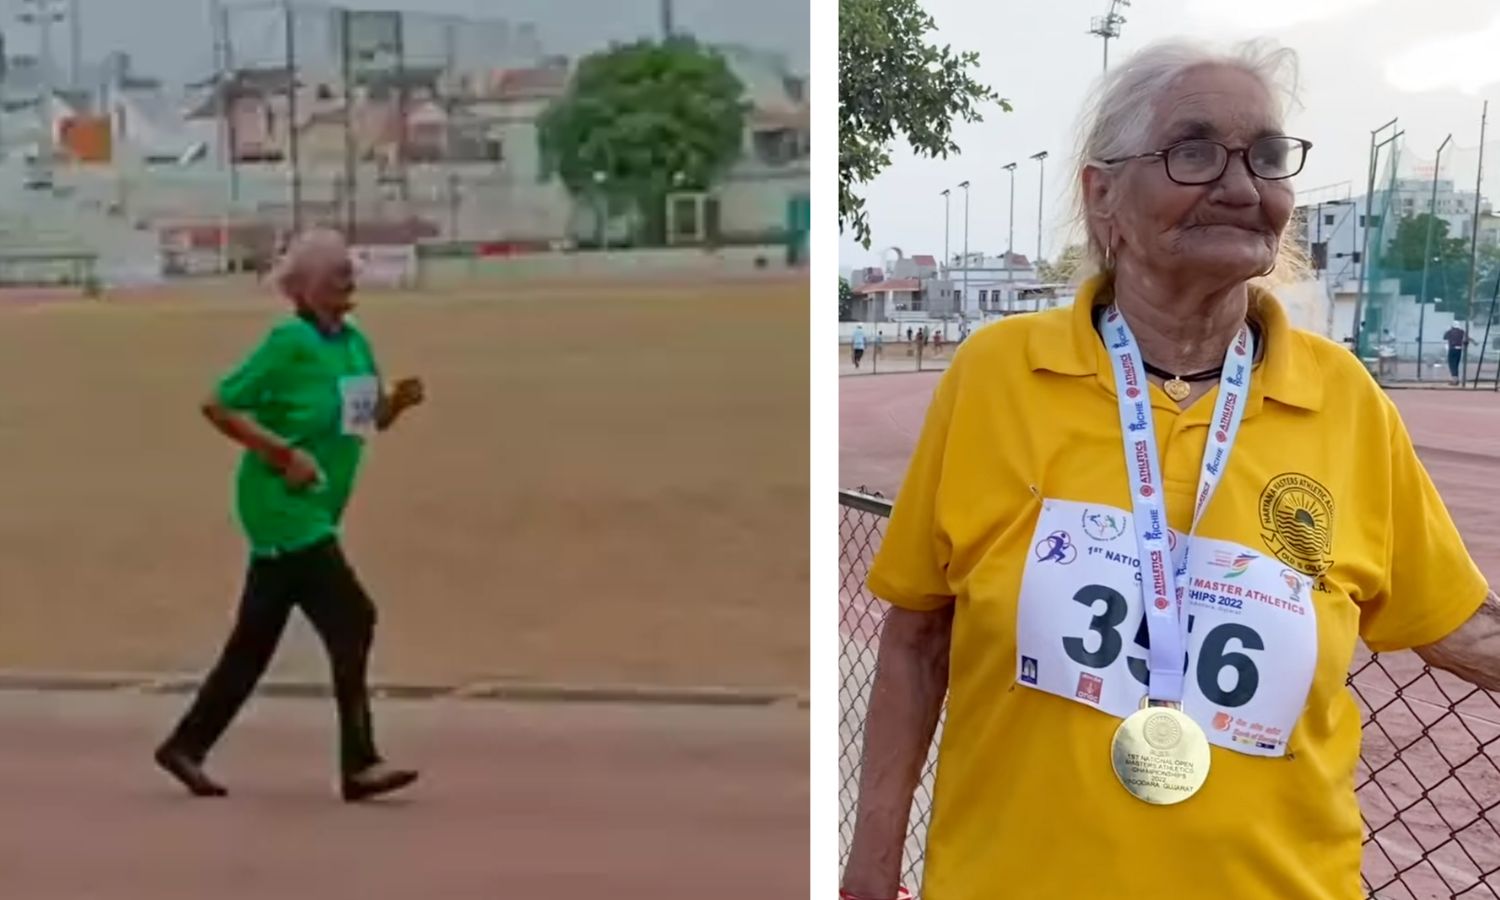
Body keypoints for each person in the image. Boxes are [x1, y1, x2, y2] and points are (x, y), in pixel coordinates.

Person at [842, 39, 1499, 900]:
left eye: (1265, 157)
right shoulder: (997, 376)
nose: (1239, 185)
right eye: (1193, 151)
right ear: (1102, 194)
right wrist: (871, 864)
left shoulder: (1344, 401)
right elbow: (918, 634)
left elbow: (1451, 617)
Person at [154, 229, 425, 803]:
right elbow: (217, 404)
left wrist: (396, 403)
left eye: (350, 271)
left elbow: (367, 416)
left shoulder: (354, 343)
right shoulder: (287, 342)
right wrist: (282, 453)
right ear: (302, 289)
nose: (347, 282)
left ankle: (185, 745)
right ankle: (360, 763)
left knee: (254, 640)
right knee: (353, 617)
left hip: (319, 507)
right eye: (335, 274)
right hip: (281, 507)